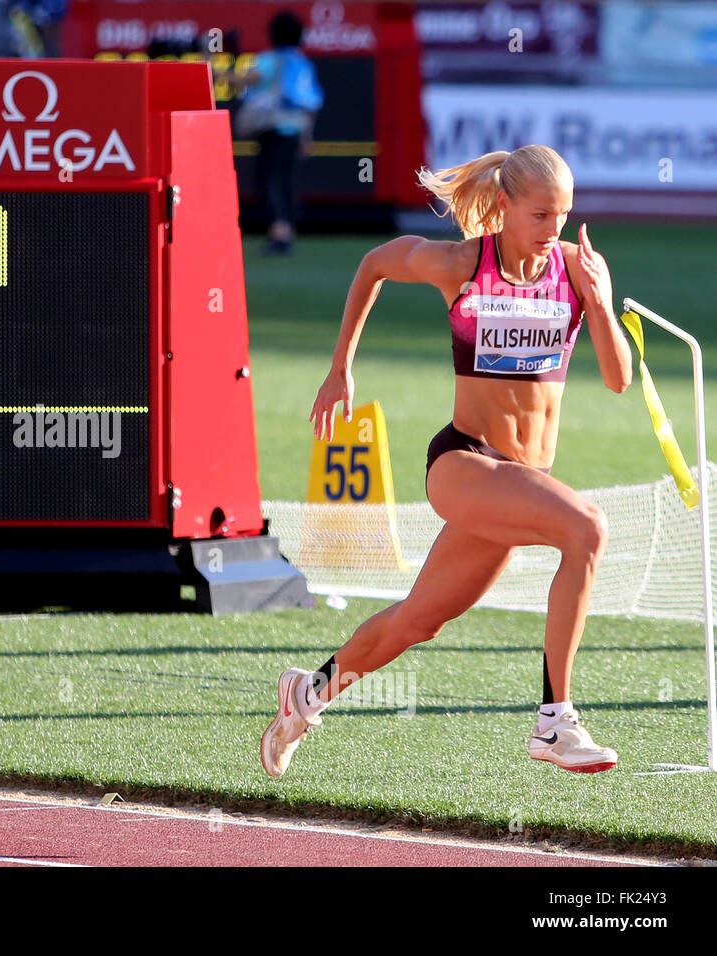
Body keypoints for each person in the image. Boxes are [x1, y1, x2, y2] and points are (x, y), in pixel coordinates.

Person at [260, 144, 634, 777]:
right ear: (505, 206)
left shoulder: (576, 269)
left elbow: (619, 379)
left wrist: (599, 301)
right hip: (464, 462)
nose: (554, 230)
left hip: (521, 481)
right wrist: (339, 369)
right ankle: (555, 722)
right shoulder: (462, 263)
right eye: (541, 215)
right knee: (587, 527)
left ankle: (307, 695)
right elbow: (374, 264)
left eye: (564, 216)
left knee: (418, 620)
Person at [223, 11, 323, 254]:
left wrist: (220, 70)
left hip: (272, 130)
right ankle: (287, 229)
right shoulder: (303, 63)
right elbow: (311, 104)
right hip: (295, 129)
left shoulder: (268, 60)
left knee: (269, 181)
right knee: (286, 181)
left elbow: (244, 81)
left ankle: (280, 232)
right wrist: (307, 138)